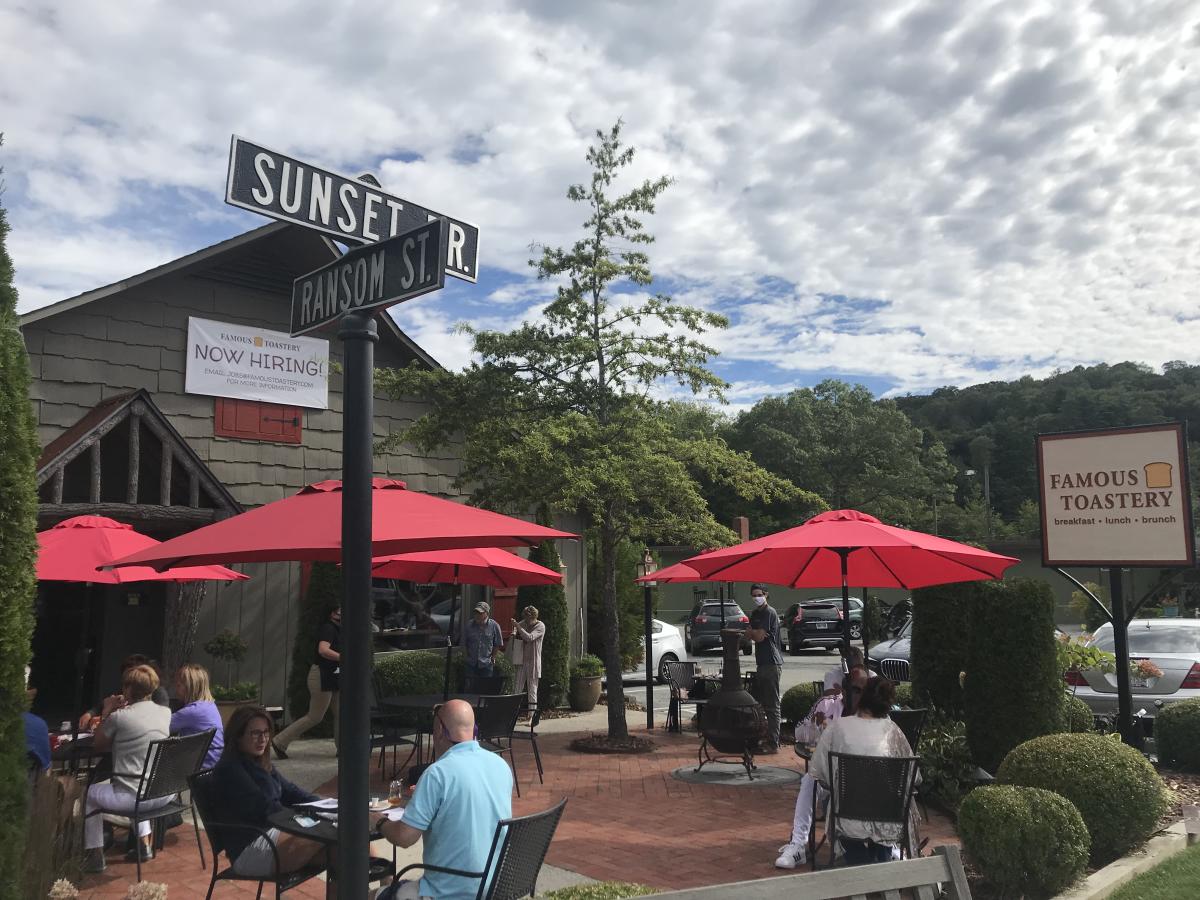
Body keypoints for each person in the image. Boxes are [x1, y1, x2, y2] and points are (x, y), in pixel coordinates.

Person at [376, 699, 513, 900]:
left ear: (439, 729)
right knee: (390, 884)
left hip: (448, 893)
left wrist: (379, 821)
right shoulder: (500, 765)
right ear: (473, 729)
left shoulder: (437, 774)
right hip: (494, 887)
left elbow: (404, 838)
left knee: (367, 894)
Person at [808, 676, 919, 866]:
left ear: (862, 698)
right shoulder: (893, 731)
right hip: (889, 816)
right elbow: (913, 778)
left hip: (847, 814)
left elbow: (820, 773)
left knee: (831, 802)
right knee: (882, 806)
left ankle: (863, 865)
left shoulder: (838, 728)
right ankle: (880, 864)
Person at [208, 705, 326, 878]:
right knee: (336, 833)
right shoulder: (230, 769)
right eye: (255, 733)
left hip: (274, 834)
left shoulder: (259, 762)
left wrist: (327, 806)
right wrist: (310, 818)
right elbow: (266, 809)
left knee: (344, 852)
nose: (262, 739)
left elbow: (292, 792)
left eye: (266, 732)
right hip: (250, 849)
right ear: (238, 736)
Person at [82, 664, 173, 872]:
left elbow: (98, 743)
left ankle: (95, 855)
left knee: (92, 793)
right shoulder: (165, 712)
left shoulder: (120, 717)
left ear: (128, 689)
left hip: (136, 798)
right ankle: (144, 844)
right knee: (138, 778)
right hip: (161, 793)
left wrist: (107, 710)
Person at [776, 667, 868, 869]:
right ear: (844, 688)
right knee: (810, 779)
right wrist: (815, 724)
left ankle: (891, 845)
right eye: (856, 689)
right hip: (830, 775)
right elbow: (800, 734)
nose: (860, 695)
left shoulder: (873, 714)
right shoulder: (828, 705)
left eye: (864, 690)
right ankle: (798, 845)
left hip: (861, 781)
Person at [273, 606, 341, 758]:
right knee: (315, 716)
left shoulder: (338, 629)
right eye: (338, 610)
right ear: (331, 613)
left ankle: (343, 748)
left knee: (341, 713)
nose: (342, 613)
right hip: (322, 676)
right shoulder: (328, 628)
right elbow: (323, 650)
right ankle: (279, 742)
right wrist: (343, 657)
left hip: (333, 676)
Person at [78, 653, 169, 732]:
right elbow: (106, 702)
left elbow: (156, 720)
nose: (126, 683)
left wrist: (106, 717)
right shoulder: (126, 689)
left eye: (131, 676)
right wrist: (90, 713)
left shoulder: (158, 693)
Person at [744, 584, 783, 752]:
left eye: (759, 594)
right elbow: (749, 633)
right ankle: (764, 737)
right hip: (761, 663)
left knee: (772, 705)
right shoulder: (756, 614)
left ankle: (774, 743)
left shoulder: (769, 612)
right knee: (761, 703)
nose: (757, 597)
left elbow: (758, 637)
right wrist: (753, 633)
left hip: (772, 662)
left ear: (766, 594)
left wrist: (753, 633)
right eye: (754, 595)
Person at [170, 663, 224, 769]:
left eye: (179, 685)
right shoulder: (209, 706)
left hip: (200, 769)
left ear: (190, 687)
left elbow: (158, 727)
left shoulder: (192, 712)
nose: (175, 688)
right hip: (214, 766)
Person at [508, 605, 546, 711]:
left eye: (529, 619)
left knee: (532, 689)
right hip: (521, 660)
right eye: (525, 618)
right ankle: (513, 712)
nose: (527, 621)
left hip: (533, 662)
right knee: (517, 688)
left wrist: (518, 627)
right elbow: (516, 629)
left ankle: (531, 715)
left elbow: (530, 638)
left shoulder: (540, 626)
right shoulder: (523, 623)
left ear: (534, 617)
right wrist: (514, 632)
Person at [464, 602, 503, 687]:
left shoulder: (494, 626)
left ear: (486, 613)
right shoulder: (469, 625)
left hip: (486, 663)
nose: (477, 615)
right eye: (476, 612)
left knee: (485, 689)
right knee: (470, 689)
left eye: (480, 613)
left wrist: (493, 657)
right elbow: (464, 643)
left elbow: (497, 644)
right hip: (471, 663)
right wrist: (466, 656)